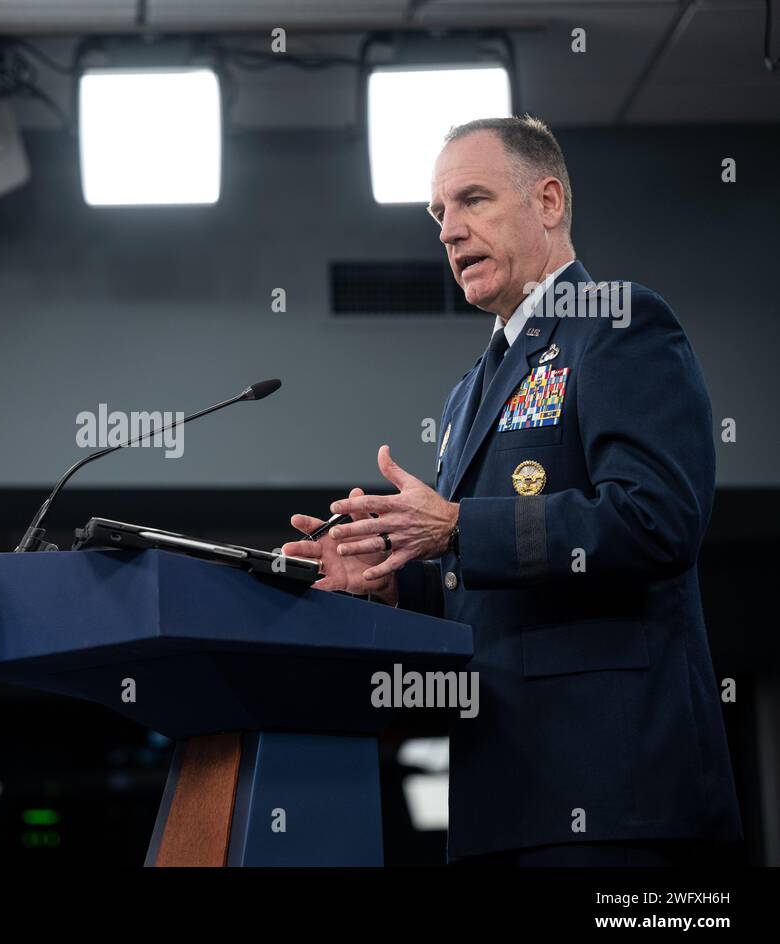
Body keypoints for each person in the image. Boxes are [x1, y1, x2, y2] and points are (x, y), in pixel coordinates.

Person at [281, 116, 743, 866]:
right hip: (499, 794)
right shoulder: (470, 391)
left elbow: (657, 521)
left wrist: (459, 525)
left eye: (472, 201)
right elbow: (488, 581)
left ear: (550, 202)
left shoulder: (620, 326)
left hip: (615, 792)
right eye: (438, 214)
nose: (449, 232)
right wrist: (396, 584)